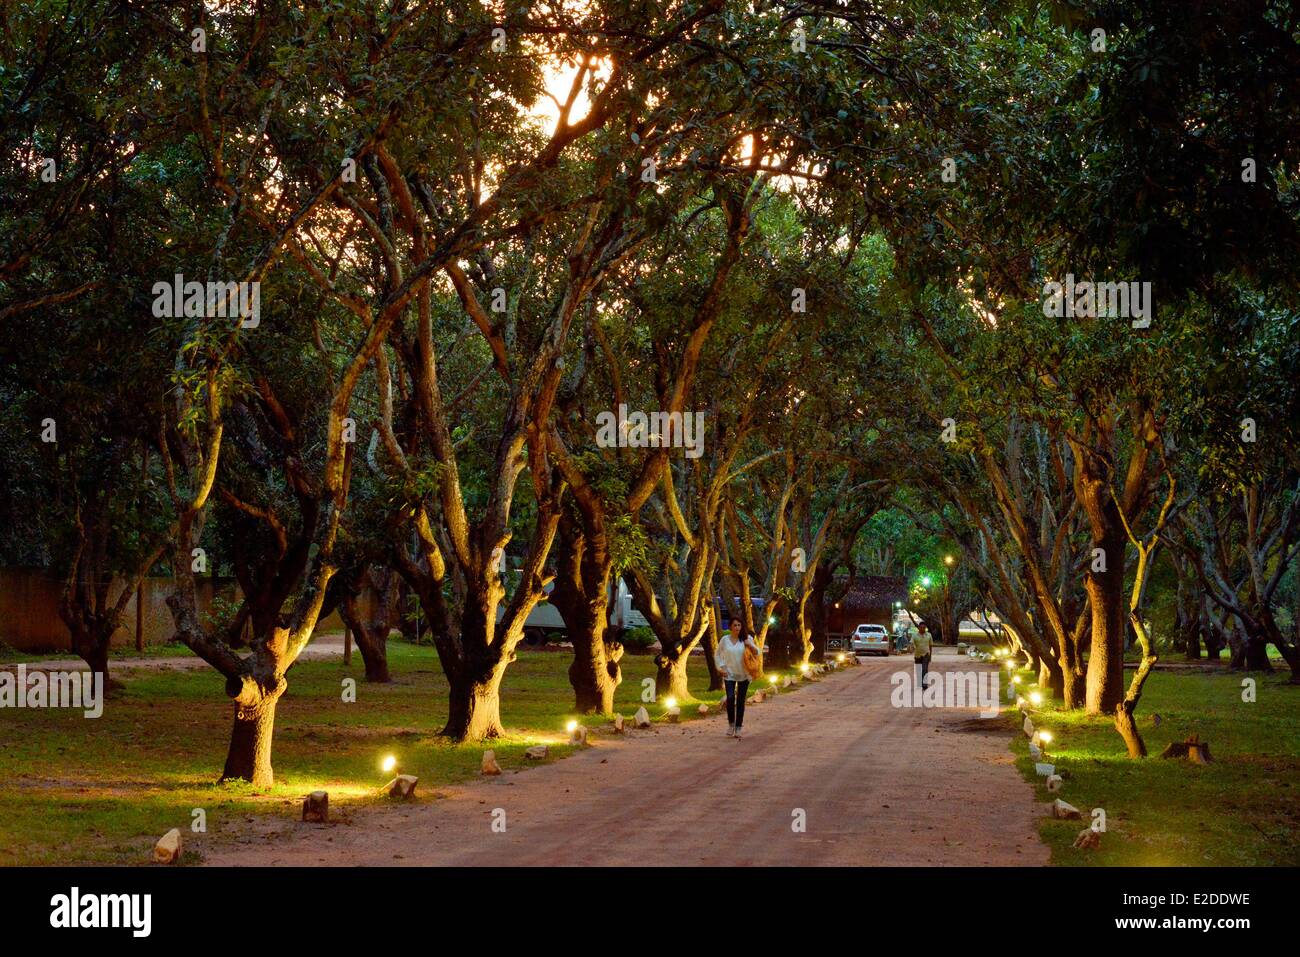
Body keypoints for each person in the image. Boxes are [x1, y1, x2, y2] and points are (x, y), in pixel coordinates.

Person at [716, 618, 760, 739]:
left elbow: (757, 652)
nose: (737, 627)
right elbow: (718, 654)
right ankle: (731, 724)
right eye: (735, 625)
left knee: (740, 701)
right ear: (730, 627)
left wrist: (749, 644)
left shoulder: (747, 639)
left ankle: (738, 727)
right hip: (729, 673)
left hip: (744, 674)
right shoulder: (724, 640)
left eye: (739, 625)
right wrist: (721, 667)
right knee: (730, 698)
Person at [912, 621, 933, 690]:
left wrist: (930, 656)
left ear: (925, 628)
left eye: (924, 627)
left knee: (925, 669)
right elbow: (911, 643)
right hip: (917, 655)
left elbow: (930, 646)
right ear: (918, 628)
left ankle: (924, 684)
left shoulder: (929, 635)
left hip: (926, 654)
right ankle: (919, 684)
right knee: (918, 669)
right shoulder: (914, 635)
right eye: (921, 627)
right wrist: (912, 647)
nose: (922, 629)